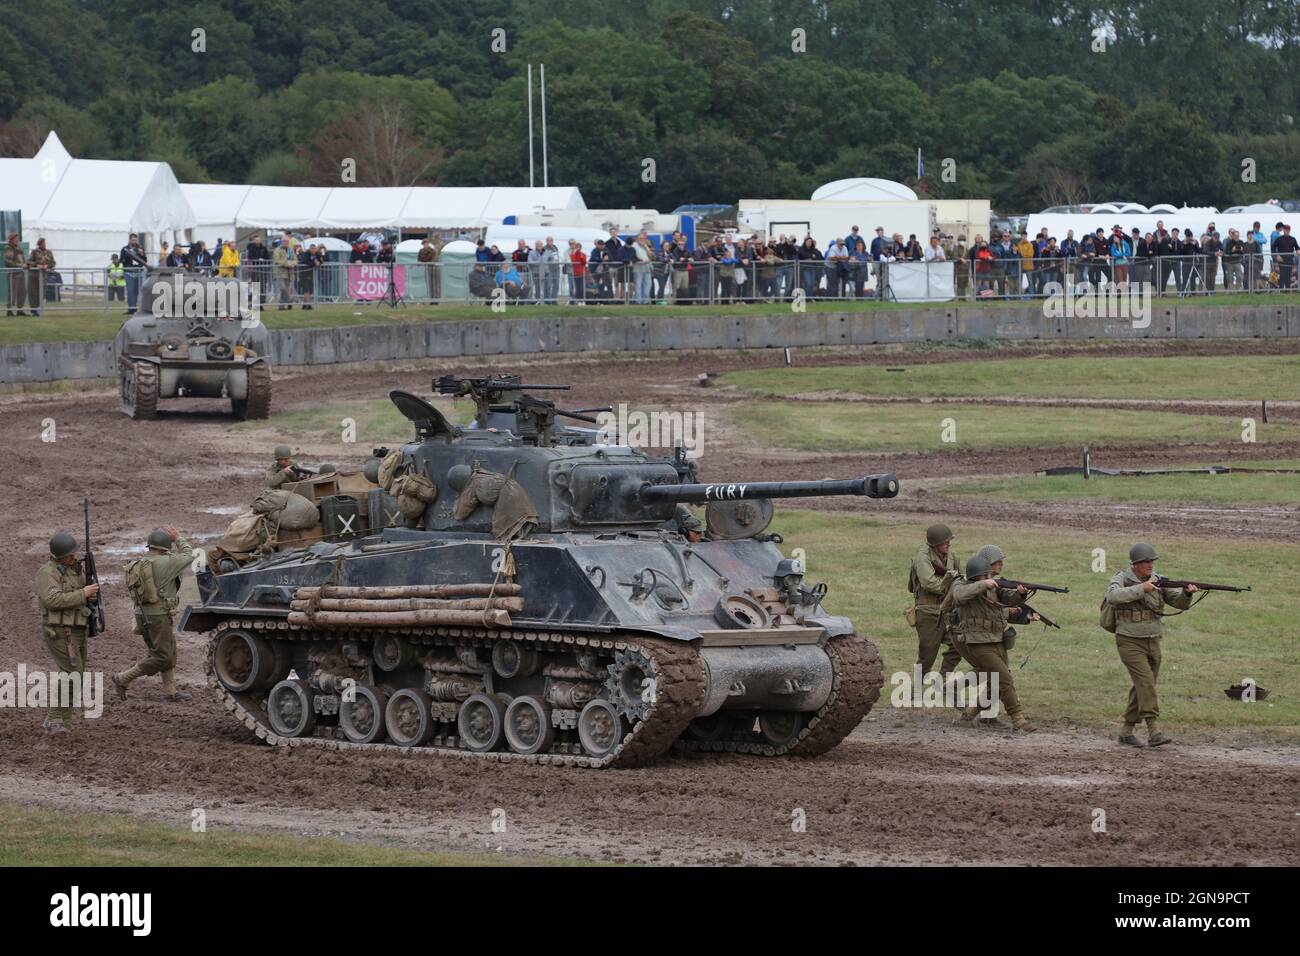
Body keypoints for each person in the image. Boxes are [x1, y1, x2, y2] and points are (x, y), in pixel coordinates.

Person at [1104, 542, 1198, 747]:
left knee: (1143, 686)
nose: (1150, 565)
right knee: (1146, 683)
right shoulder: (1121, 579)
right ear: (1135, 564)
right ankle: (1154, 731)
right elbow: (1112, 597)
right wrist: (1141, 588)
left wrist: (1187, 593)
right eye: (1145, 562)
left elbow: (1179, 603)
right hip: (1129, 640)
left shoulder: (1159, 581)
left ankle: (1126, 732)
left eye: (1151, 561)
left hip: (1153, 639)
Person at [950, 552, 1036, 732]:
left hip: (996, 639)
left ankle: (969, 715)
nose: (990, 577)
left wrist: (1020, 594)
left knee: (995, 682)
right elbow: (958, 596)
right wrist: (982, 584)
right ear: (977, 576)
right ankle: (1018, 719)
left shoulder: (993, 588)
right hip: (978, 643)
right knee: (1004, 679)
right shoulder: (963, 585)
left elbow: (1008, 599)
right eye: (986, 575)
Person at [112, 527, 196, 703]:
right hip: (158, 616)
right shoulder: (166, 562)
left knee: (164, 650)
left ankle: (170, 690)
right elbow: (189, 554)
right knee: (163, 656)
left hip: (142, 615)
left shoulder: (140, 562)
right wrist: (179, 538)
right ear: (165, 548)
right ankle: (123, 678)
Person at [35, 532, 98, 732]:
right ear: (60, 556)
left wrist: (91, 596)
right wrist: (83, 593)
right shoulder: (48, 573)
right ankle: (53, 719)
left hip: (78, 629)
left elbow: (81, 596)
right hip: (60, 632)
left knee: (77, 675)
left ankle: (65, 720)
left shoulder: (73, 571)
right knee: (71, 674)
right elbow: (52, 600)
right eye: (70, 555)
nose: (74, 557)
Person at [909, 524, 963, 677]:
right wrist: (953, 587)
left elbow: (961, 578)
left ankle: (942, 680)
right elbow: (930, 583)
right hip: (928, 611)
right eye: (945, 541)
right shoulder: (923, 557)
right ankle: (916, 691)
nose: (949, 543)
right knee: (927, 656)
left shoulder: (952, 556)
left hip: (948, 610)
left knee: (959, 645)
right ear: (935, 543)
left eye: (949, 541)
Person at [119, 233, 149, 314]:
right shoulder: (124, 249)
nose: (134, 241)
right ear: (129, 240)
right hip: (129, 272)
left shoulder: (140, 248)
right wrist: (129, 255)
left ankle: (137, 309)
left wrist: (141, 254)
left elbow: (145, 261)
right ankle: (131, 309)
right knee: (130, 291)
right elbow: (122, 261)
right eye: (133, 240)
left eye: (135, 240)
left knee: (137, 292)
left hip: (139, 272)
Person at [26, 238, 55, 315]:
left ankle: (39, 308)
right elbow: (28, 261)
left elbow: (53, 263)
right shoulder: (34, 252)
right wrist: (36, 265)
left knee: (42, 291)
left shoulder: (49, 252)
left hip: (43, 274)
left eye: (44, 243)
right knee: (33, 292)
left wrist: (47, 265)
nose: (44, 244)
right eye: (42, 243)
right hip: (34, 274)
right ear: (39, 244)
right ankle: (33, 308)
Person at [5, 233, 28, 316]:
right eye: (16, 238)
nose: (17, 240)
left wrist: (27, 264)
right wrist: (21, 265)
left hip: (21, 273)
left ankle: (20, 310)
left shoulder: (19, 248)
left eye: (18, 238)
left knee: (22, 292)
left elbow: (23, 260)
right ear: (11, 239)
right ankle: (10, 310)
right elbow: (8, 262)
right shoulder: (8, 248)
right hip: (13, 274)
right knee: (12, 292)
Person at [272, 234, 296, 310]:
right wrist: (286, 264)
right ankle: (289, 301)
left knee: (286, 288)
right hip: (279, 273)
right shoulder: (277, 250)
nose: (286, 242)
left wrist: (292, 264)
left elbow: (295, 259)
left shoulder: (290, 250)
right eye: (284, 241)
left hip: (289, 273)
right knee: (283, 289)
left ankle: (281, 306)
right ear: (281, 242)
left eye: (287, 241)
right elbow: (277, 260)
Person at [1275, 223, 1298, 290]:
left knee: (1288, 275)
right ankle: (1281, 289)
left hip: (1290, 260)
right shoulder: (1279, 239)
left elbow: (1297, 247)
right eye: (1285, 229)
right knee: (1282, 275)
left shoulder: (1293, 239)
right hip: (1281, 260)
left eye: (1288, 229)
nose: (1287, 231)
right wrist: (1277, 255)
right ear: (1283, 230)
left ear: (1289, 230)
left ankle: (1287, 289)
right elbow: (1273, 247)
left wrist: (1298, 251)